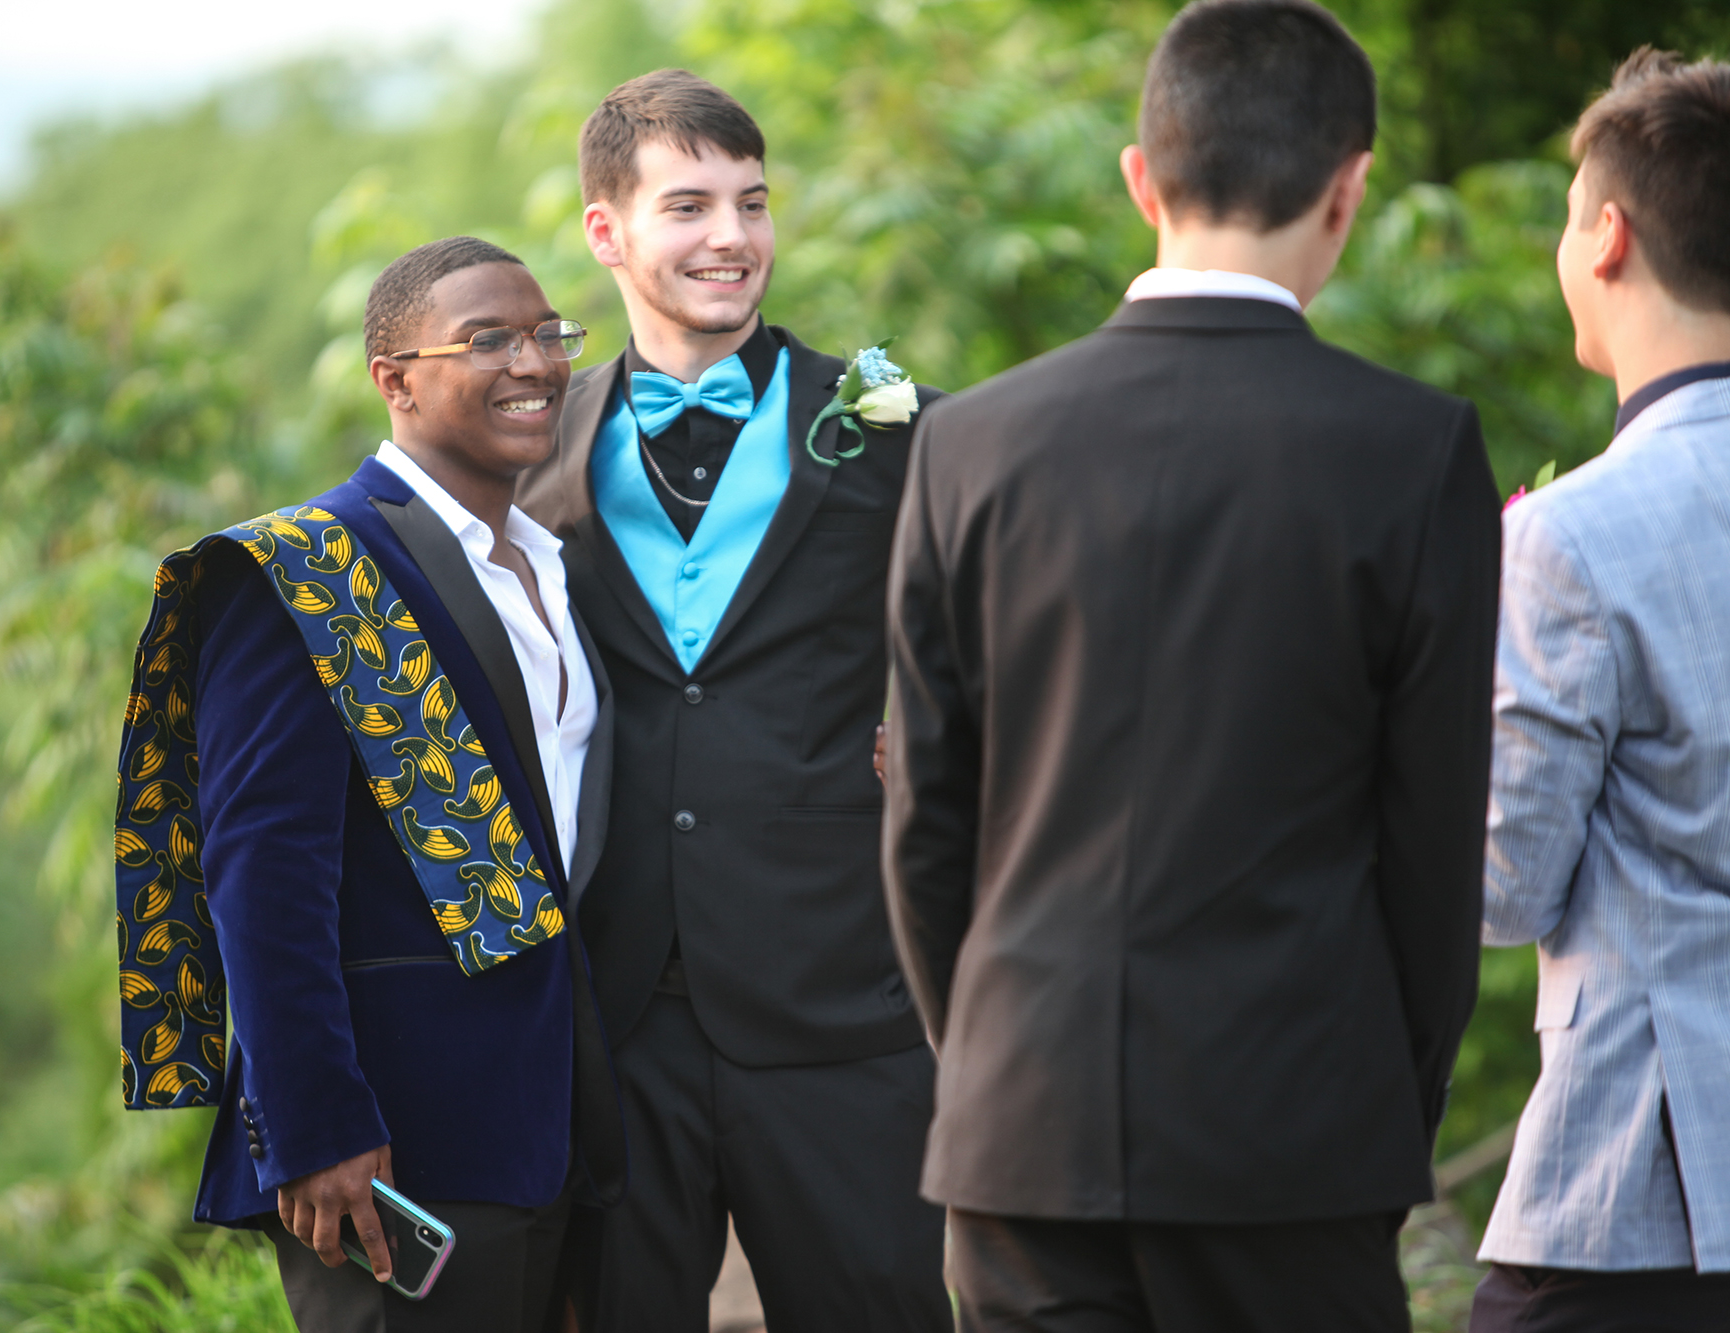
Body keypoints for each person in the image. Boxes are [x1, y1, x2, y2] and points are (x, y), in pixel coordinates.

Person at [881, 2, 1503, 1329]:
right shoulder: (1413, 450)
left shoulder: (969, 445)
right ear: (1351, 190)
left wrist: (989, 1052)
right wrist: (1380, 1102)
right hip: (1296, 1133)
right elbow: (1435, 842)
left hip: (1018, 1131)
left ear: (1138, 177)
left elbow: (926, 820)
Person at [111, 236, 625, 1333]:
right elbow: (261, 871)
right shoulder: (301, 569)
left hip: (560, 1125)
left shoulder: (555, 564)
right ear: (392, 380)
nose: (533, 362)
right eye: (486, 339)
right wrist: (314, 1126)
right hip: (394, 1148)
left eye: (548, 335)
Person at [514, 69, 953, 1333]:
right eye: (690, 204)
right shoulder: (537, 445)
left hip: (845, 998)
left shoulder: (896, 432)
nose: (731, 238)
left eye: (753, 204)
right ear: (606, 231)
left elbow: (1005, 639)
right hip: (617, 1002)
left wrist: (934, 747)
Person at [1469, 49, 1730, 1333]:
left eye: (1568, 216)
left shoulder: (1573, 532)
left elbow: (1497, 884)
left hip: (1649, 1170)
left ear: (1608, 237)